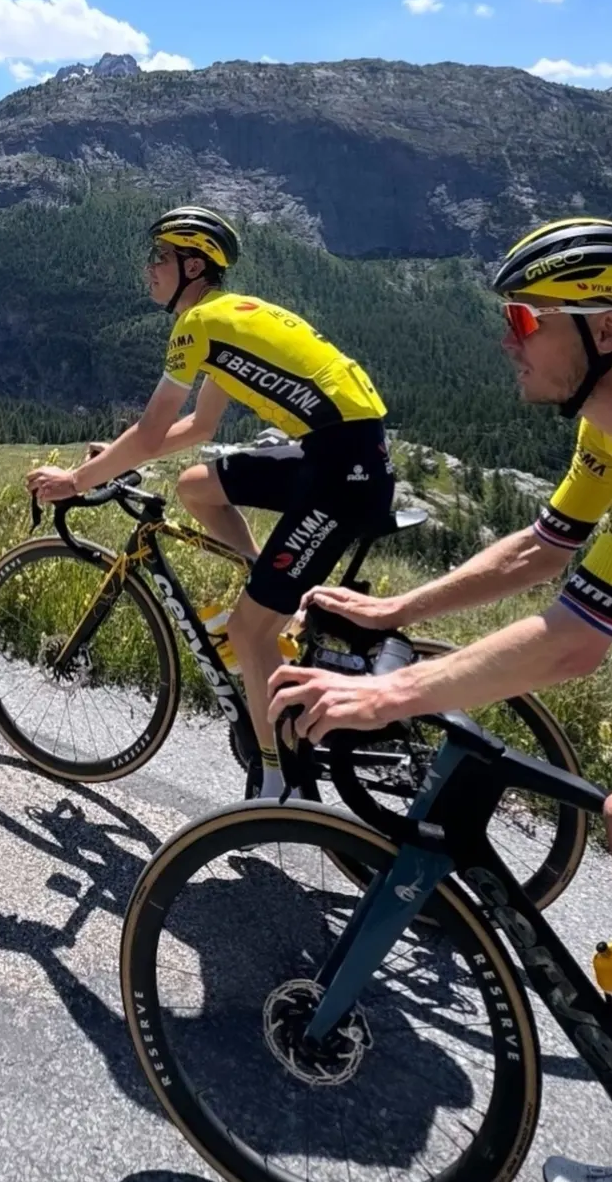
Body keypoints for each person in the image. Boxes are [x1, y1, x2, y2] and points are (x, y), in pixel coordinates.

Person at [268, 215, 612, 1182]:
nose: (506, 339)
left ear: (606, 325)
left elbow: (571, 640)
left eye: (523, 318)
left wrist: (387, 698)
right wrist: (394, 614)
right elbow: (542, 545)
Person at [27, 206, 394, 798]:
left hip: (341, 470)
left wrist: (75, 479)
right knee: (197, 485)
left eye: (159, 258)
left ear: (192, 265)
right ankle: (270, 592)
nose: (149, 269)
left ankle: (282, 782)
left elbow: (150, 433)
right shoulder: (227, 319)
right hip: (344, 454)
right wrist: (115, 462)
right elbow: (199, 426)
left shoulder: (197, 326)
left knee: (249, 633)